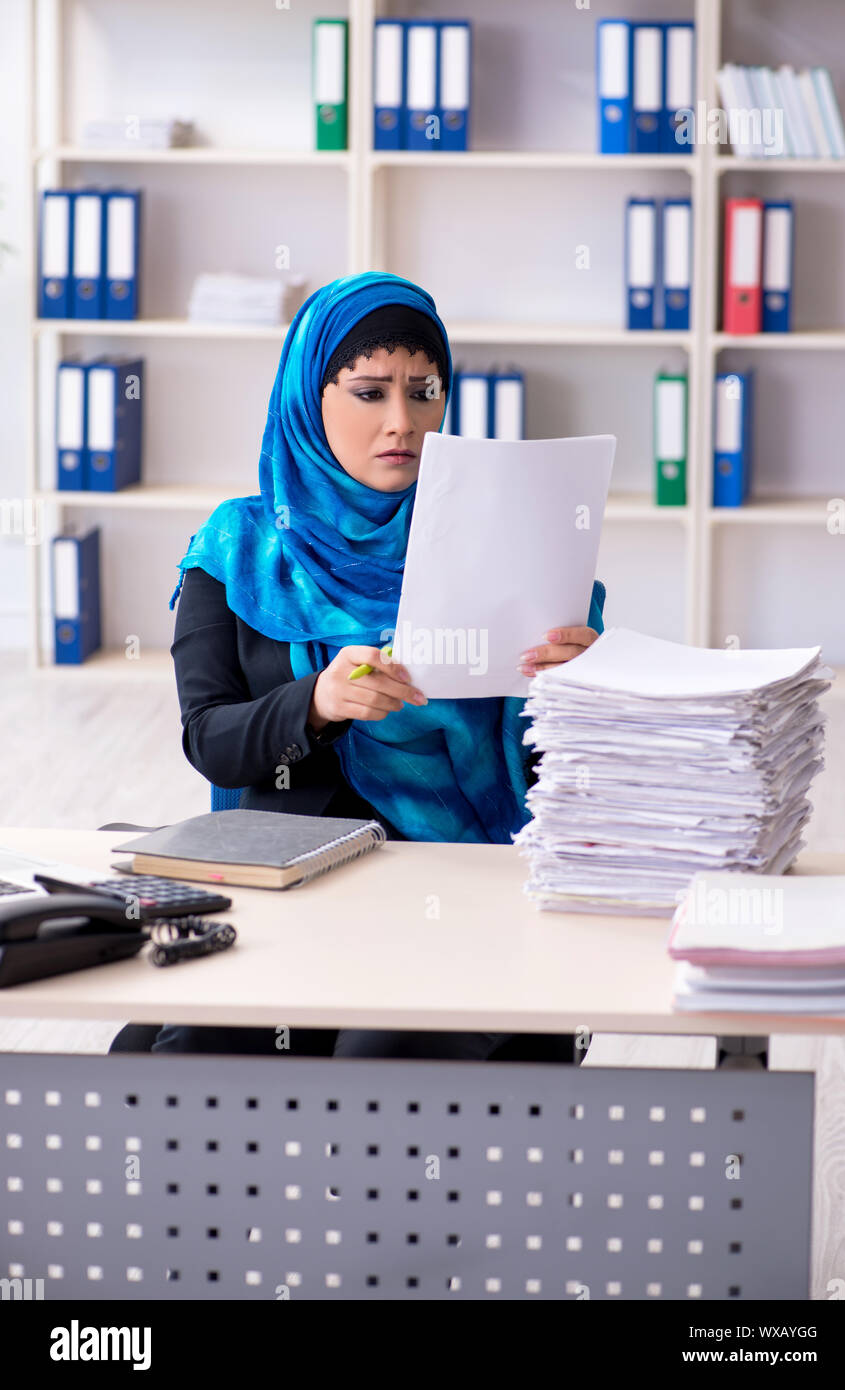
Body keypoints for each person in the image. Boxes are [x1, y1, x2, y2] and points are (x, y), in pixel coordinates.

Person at [152, 271, 605, 1060]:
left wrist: (589, 698)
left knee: (381, 1065)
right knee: (178, 1055)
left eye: (424, 391)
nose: (403, 422)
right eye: (368, 392)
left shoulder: (509, 545)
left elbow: (561, 787)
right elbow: (211, 739)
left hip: (458, 886)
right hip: (283, 884)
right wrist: (316, 704)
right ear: (309, 396)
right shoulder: (237, 549)